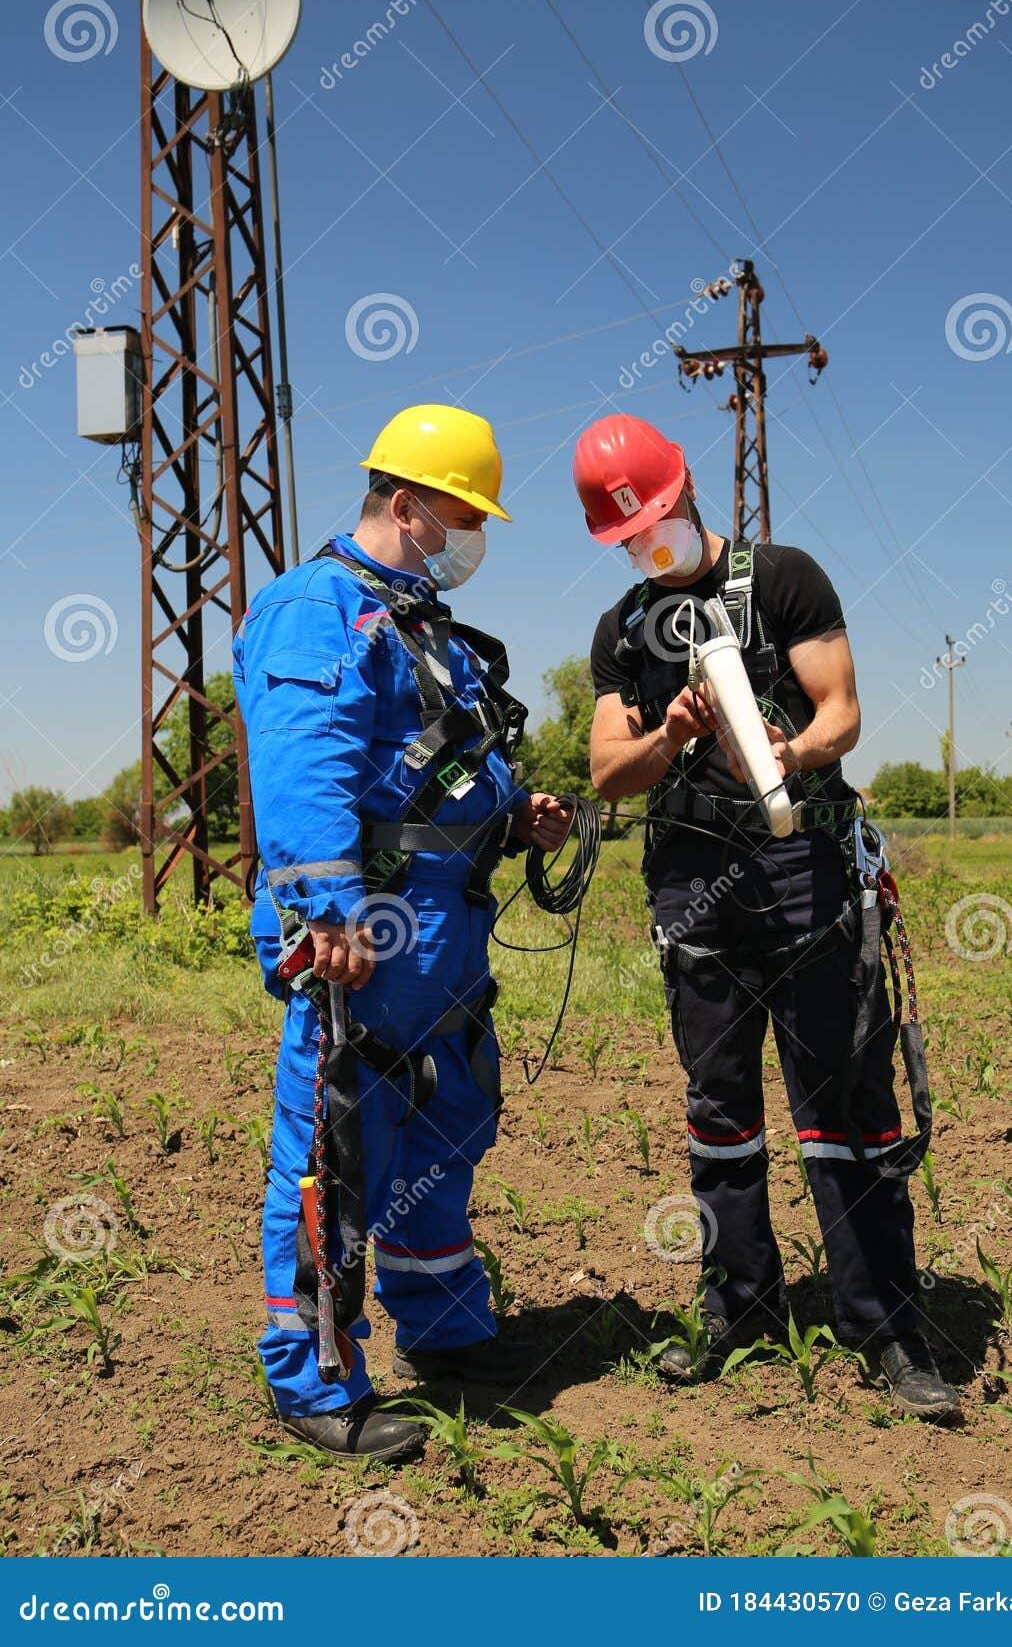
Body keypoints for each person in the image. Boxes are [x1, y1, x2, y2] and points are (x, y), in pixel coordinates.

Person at [579, 412, 959, 1420]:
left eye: (656, 519)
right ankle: (736, 1307)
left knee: (845, 1107)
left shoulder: (782, 578)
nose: (646, 542)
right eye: (628, 535)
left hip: (804, 874)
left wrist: (786, 753)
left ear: (687, 489)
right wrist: (667, 731)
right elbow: (607, 773)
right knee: (719, 1115)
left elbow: (841, 708)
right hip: (692, 887)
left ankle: (883, 1322)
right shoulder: (622, 629)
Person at [234, 403, 572, 1460]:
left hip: (449, 932)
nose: (468, 533)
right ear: (405, 502)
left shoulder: (418, 619)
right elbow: (304, 763)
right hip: (367, 932)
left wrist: (517, 818)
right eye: (461, 512)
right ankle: (317, 1378)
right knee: (336, 1148)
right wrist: (326, 908)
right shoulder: (315, 608)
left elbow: (433, 763)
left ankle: (445, 1325)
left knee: (447, 1125)